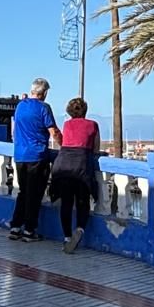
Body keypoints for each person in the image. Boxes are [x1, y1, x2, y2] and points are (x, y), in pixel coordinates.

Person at [8, 78, 60, 240]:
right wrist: (65, 145)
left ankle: (16, 226)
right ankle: (29, 230)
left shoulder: (20, 106)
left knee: (23, 192)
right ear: (44, 93)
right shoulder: (44, 108)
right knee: (35, 193)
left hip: (20, 155)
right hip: (37, 155)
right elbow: (53, 131)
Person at [49, 98, 101, 254]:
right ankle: (80, 228)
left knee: (66, 202)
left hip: (63, 164)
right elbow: (95, 149)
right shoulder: (93, 125)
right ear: (85, 110)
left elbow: (64, 142)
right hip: (81, 165)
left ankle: (66, 237)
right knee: (82, 201)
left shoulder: (67, 124)